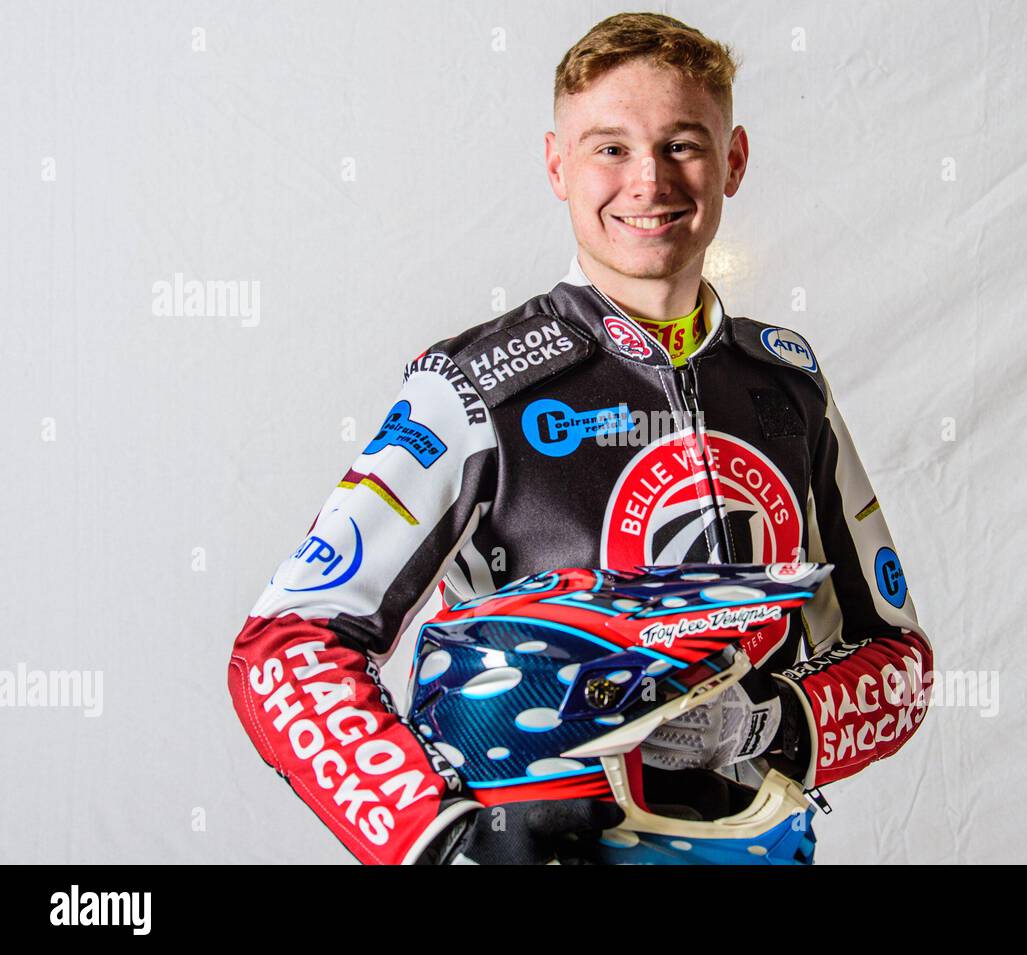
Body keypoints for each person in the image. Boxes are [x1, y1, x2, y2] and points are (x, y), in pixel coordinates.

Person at [227, 11, 934, 865]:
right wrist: (439, 838)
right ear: (556, 164)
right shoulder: (474, 385)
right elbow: (286, 646)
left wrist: (769, 721)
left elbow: (900, 659)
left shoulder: (787, 386)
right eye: (610, 148)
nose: (648, 181)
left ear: (734, 160)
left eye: (683, 144)